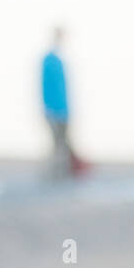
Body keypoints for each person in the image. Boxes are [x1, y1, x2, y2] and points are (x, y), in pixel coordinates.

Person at [40, 27, 83, 179]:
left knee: (61, 143)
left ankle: (60, 173)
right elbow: (47, 87)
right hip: (55, 109)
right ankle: (56, 173)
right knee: (58, 143)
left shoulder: (56, 60)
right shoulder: (51, 60)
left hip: (61, 109)